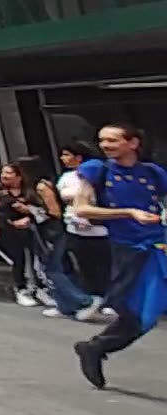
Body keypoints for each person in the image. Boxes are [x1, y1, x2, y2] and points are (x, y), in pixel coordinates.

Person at [71, 124, 167, 389]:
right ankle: (95, 347)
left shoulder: (153, 173)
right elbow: (82, 209)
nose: (106, 145)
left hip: (160, 244)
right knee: (141, 315)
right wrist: (129, 213)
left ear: (133, 143)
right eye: (103, 140)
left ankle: (96, 347)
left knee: (143, 313)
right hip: (129, 249)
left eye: (113, 140)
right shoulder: (96, 170)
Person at [48, 141, 112, 321]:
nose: (63, 158)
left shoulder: (98, 174)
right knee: (84, 266)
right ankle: (88, 299)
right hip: (74, 228)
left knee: (104, 266)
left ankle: (107, 301)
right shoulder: (67, 177)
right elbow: (66, 197)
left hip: (100, 228)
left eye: (67, 154)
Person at [0, 161, 47, 307]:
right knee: (18, 259)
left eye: (8, 173)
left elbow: (39, 207)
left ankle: (39, 288)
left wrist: (28, 215)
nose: (4, 176)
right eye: (3, 173)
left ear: (19, 176)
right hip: (8, 227)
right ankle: (21, 288)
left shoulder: (29, 190)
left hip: (31, 227)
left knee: (36, 258)